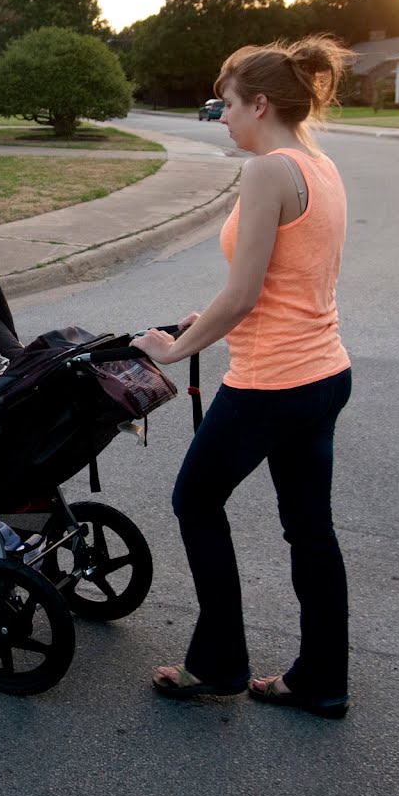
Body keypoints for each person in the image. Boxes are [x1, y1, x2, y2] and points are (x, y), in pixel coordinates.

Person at [131, 36, 355, 720]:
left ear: (260, 103)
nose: (221, 116)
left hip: (274, 382)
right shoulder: (320, 165)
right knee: (309, 530)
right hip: (323, 373)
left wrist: (175, 348)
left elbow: (248, 295)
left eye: (227, 104)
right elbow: (288, 282)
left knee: (195, 501)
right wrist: (215, 321)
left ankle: (218, 663)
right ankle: (320, 680)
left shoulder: (267, 173)